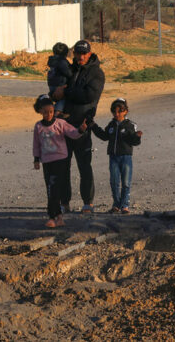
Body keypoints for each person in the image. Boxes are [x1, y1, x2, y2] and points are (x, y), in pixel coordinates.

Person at [51, 40, 105, 214]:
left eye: (84, 54)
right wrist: (55, 94)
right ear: (73, 54)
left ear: (89, 54)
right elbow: (56, 90)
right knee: (63, 167)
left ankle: (88, 203)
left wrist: (66, 92)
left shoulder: (96, 73)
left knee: (84, 166)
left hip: (83, 125)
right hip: (64, 126)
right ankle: (64, 203)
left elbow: (89, 96)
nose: (81, 57)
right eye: (78, 53)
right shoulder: (70, 69)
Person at [32, 94, 87, 228]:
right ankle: (57, 217)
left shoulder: (60, 123)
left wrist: (81, 130)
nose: (49, 114)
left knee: (55, 188)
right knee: (51, 189)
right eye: (45, 112)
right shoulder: (38, 126)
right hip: (47, 162)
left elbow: (73, 133)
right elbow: (36, 144)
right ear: (40, 111)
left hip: (61, 160)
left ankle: (54, 217)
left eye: (51, 111)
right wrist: (36, 159)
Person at [89, 98, 142, 214]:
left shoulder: (130, 125)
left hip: (126, 157)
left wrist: (137, 137)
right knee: (114, 182)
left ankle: (125, 206)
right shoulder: (111, 124)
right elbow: (104, 136)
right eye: (114, 111)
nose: (116, 114)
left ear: (125, 111)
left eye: (119, 111)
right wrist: (93, 126)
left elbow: (134, 141)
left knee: (126, 182)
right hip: (113, 157)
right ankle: (116, 205)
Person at [47, 42, 74, 116]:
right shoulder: (61, 61)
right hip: (59, 84)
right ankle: (57, 112)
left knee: (58, 98)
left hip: (51, 84)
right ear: (66, 53)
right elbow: (68, 73)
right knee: (63, 98)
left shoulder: (52, 60)